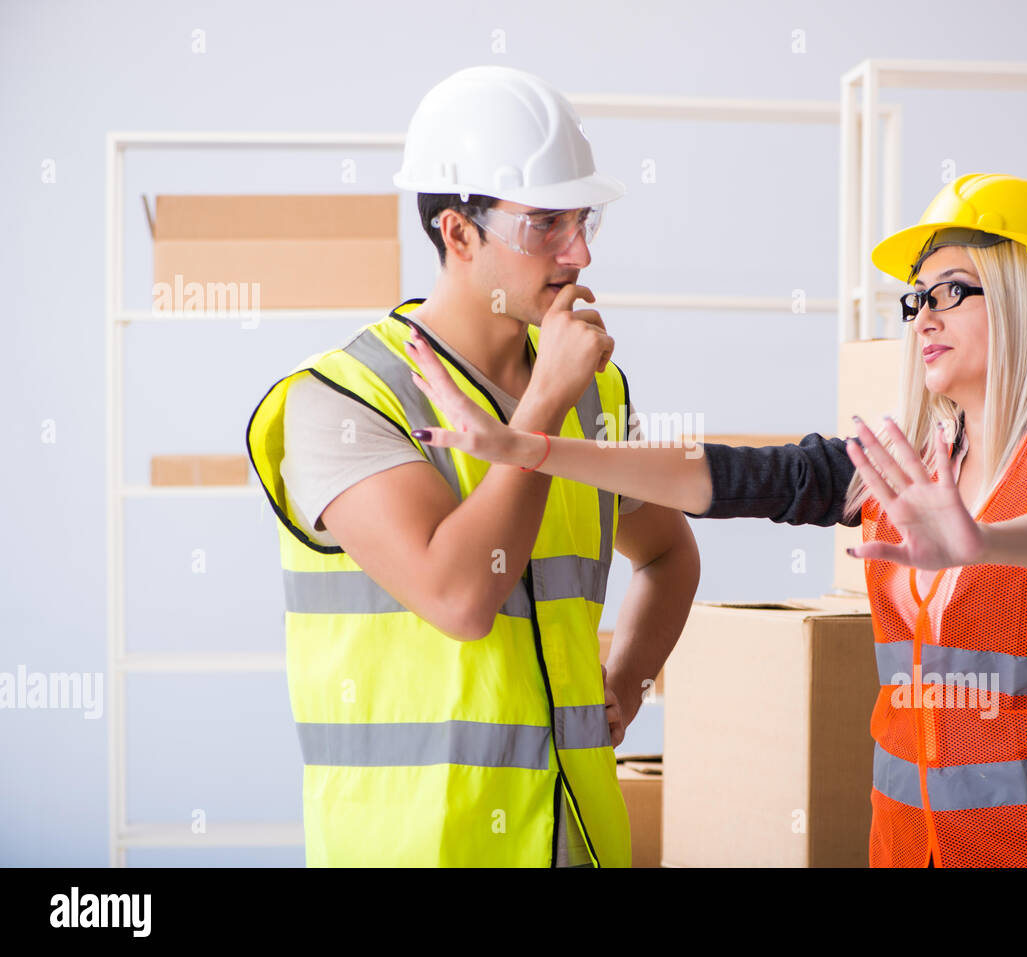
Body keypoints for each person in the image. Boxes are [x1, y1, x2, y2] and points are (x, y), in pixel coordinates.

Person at [402, 173, 1027, 868]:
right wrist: (531, 447)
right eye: (916, 298)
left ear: (1025, 295)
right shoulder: (907, 463)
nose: (921, 317)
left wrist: (987, 541)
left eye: (950, 291)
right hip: (911, 846)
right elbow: (729, 476)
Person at [246, 66, 700, 867]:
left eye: (584, 219)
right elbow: (459, 596)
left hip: (578, 840)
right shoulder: (343, 402)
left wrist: (623, 684)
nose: (581, 251)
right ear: (458, 233)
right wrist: (545, 401)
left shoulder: (595, 393)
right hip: (418, 849)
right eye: (546, 224)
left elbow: (668, 553)